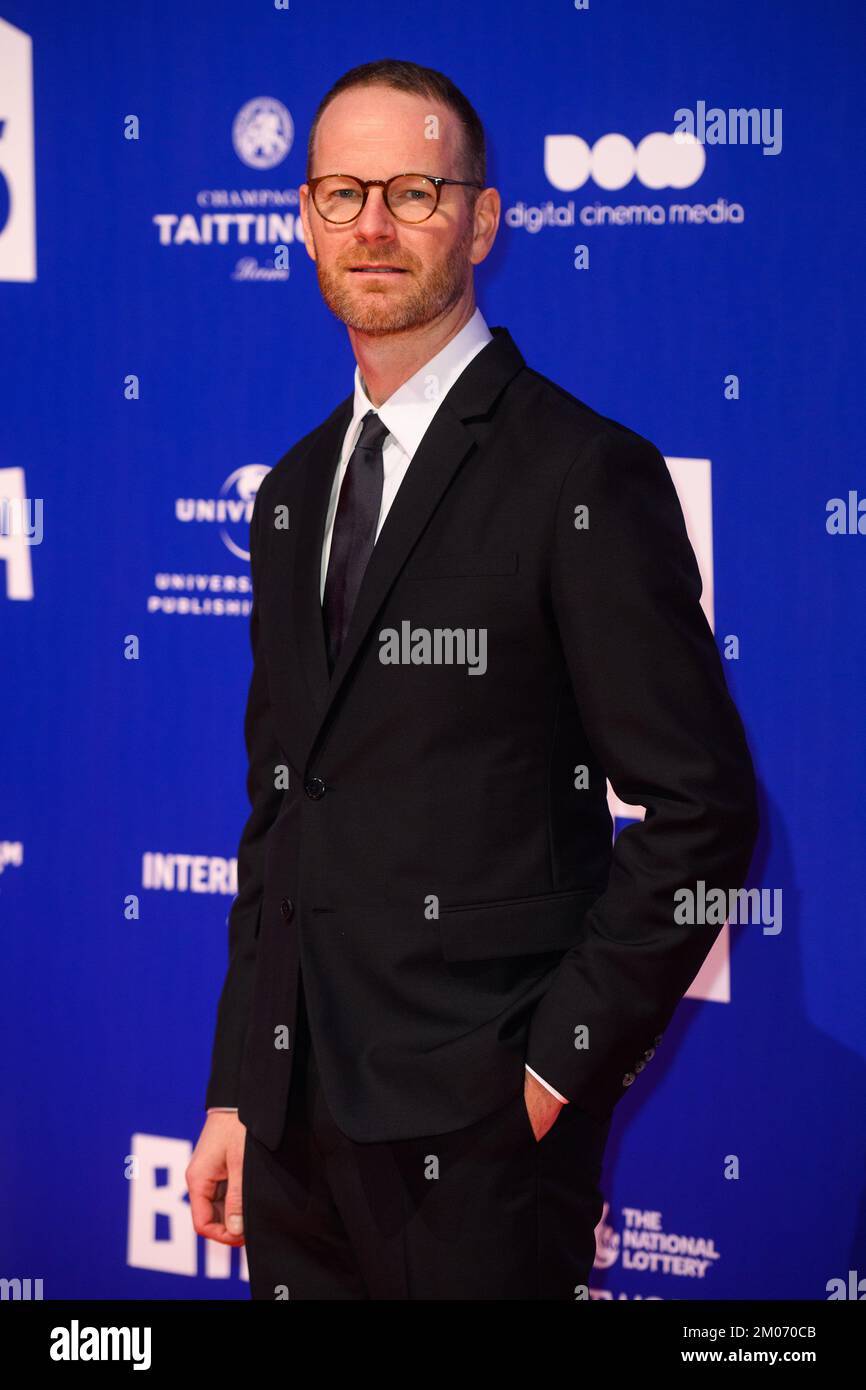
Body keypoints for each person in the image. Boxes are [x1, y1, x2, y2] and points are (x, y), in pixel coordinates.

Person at [186, 58, 759, 1300]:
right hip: (293, 1135)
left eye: (412, 189)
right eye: (341, 193)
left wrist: (549, 1074)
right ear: (302, 218)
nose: (374, 226)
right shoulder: (289, 493)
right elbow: (283, 810)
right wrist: (240, 1082)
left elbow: (701, 809)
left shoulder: (580, 474)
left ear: (481, 219)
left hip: (480, 1152)